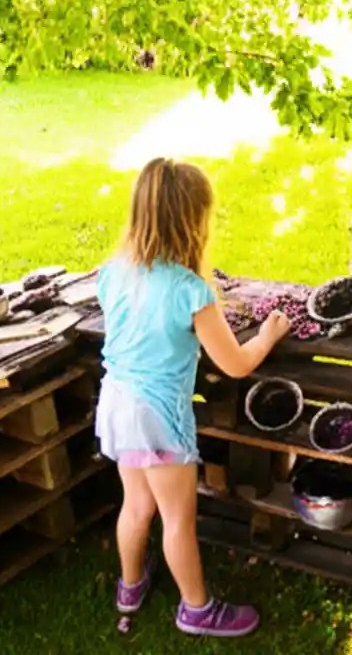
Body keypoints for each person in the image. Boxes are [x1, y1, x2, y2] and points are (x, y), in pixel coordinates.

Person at [96, 157, 291, 637]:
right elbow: (235, 364)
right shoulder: (191, 291)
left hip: (116, 404)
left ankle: (130, 585)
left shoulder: (112, 272)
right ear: (192, 221)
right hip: (159, 418)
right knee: (178, 519)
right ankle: (196, 608)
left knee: (135, 505)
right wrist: (268, 335)